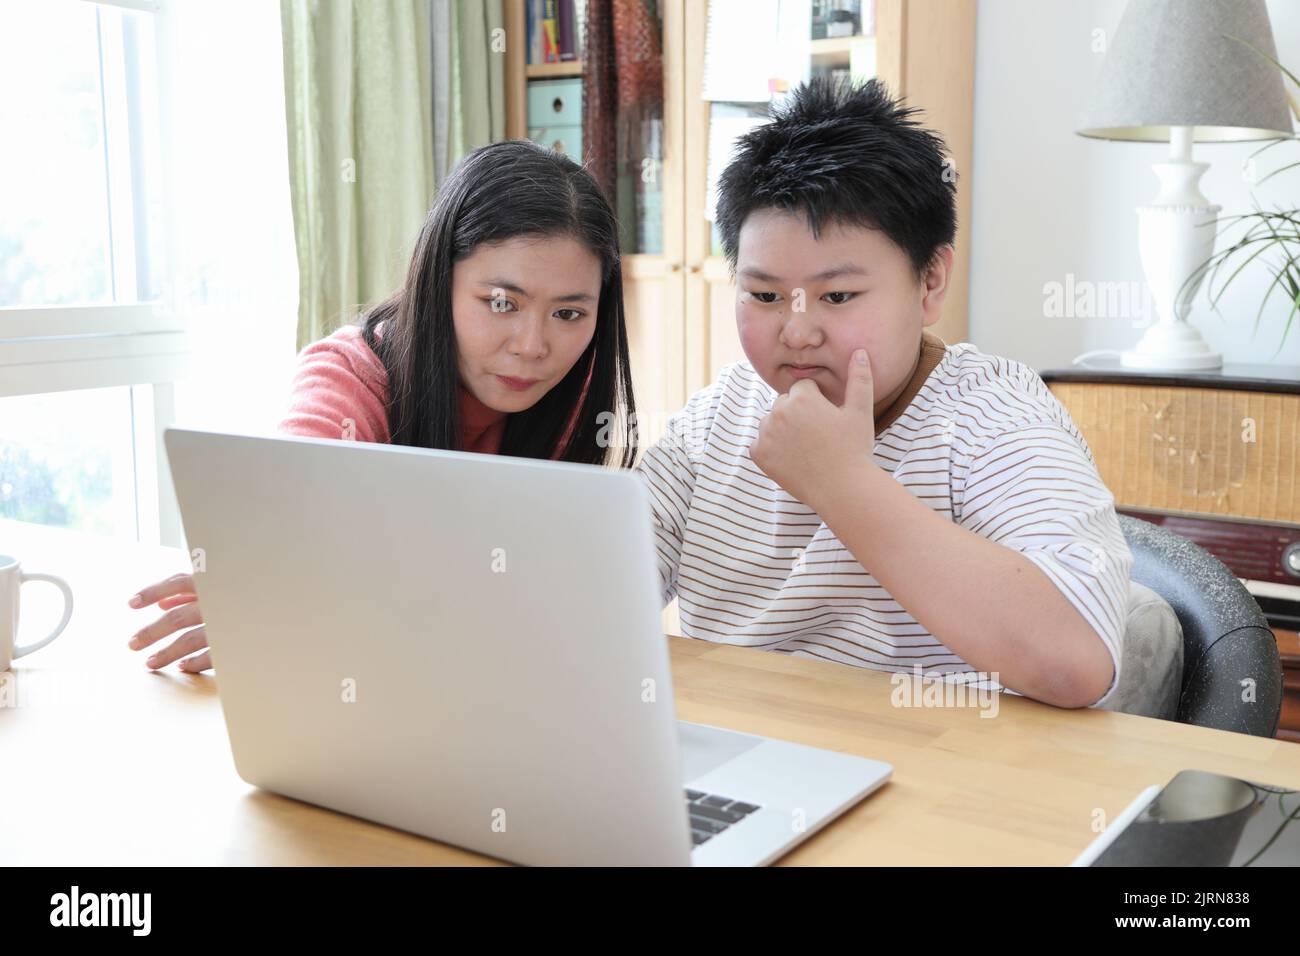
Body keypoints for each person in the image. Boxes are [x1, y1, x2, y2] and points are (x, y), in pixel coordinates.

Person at [635, 76, 1134, 708]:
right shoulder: (717, 417)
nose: (796, 331)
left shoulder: (993, 415)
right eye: (763, 295)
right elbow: (593, 600)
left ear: (930, 281)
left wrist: (840, 482)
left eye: (837, 296)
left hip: (936, 775)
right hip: (744, 764)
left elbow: (1077, 659)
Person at [126, 140, 638, 673]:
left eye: (569, 314)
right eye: (502, 303)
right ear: (439, 281)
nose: (533, 346)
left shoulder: (569, 396)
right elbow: (294, 523)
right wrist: (269, 579)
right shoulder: (348, 374)